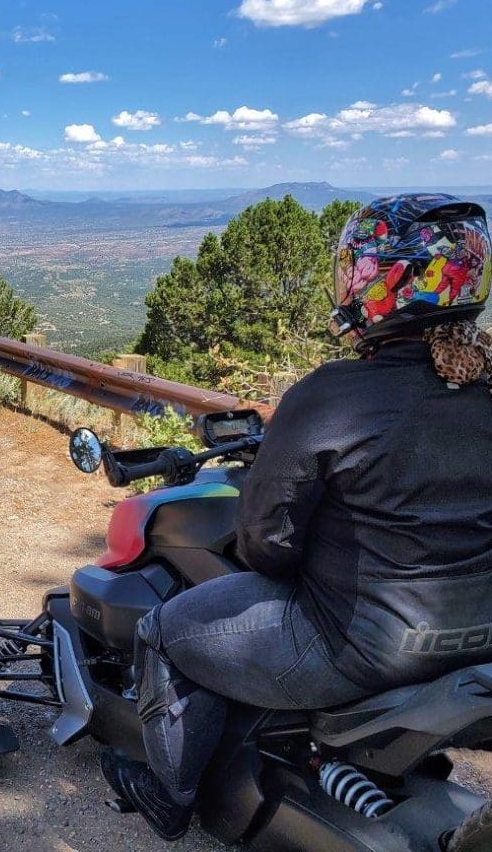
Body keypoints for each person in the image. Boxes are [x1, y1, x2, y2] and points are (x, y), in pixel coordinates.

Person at [102, 193, 492, 841]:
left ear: (383, 284)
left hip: (361, 650)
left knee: (163, 631)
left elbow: (265, 547)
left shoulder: (334, 393)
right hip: (479, 639)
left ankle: (169, 798)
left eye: (356, 269)